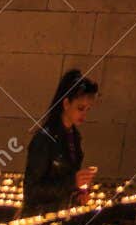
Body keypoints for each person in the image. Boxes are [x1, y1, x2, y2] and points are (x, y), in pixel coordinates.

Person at [23, 69, 99, 216]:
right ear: (66, 103)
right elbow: (31, 191)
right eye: (80, 108)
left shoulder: (74, 137)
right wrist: (72, 182)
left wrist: (79, 193)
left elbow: (65, 180)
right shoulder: (45, 139)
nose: (84, 114)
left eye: (87, 109)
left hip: (62, 216)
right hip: (41, 219)